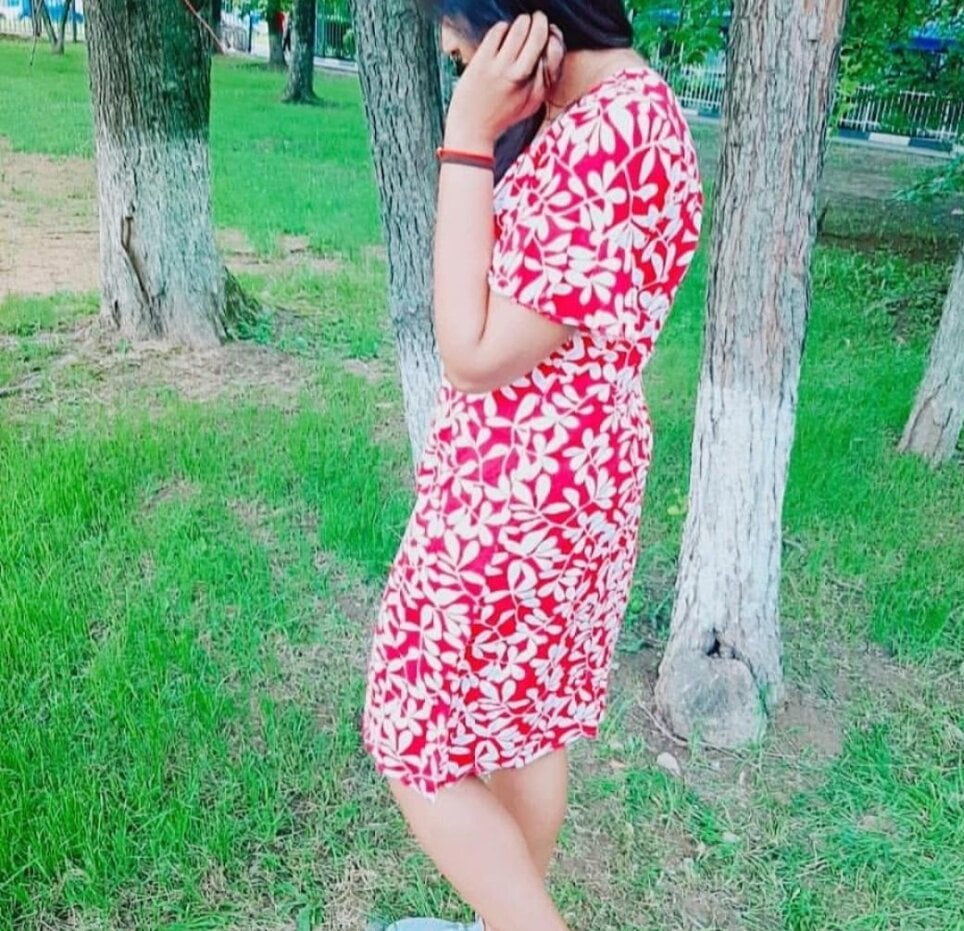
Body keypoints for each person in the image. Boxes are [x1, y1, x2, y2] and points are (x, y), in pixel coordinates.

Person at [361, 3, 703, 929]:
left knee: (407, 732)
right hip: (564, 483)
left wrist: (467, 134)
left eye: (456, 16)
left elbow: (471, 350)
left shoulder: (614, 129)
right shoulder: (606, 113)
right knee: (528, 726)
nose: (448, 41)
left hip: (518, 494)